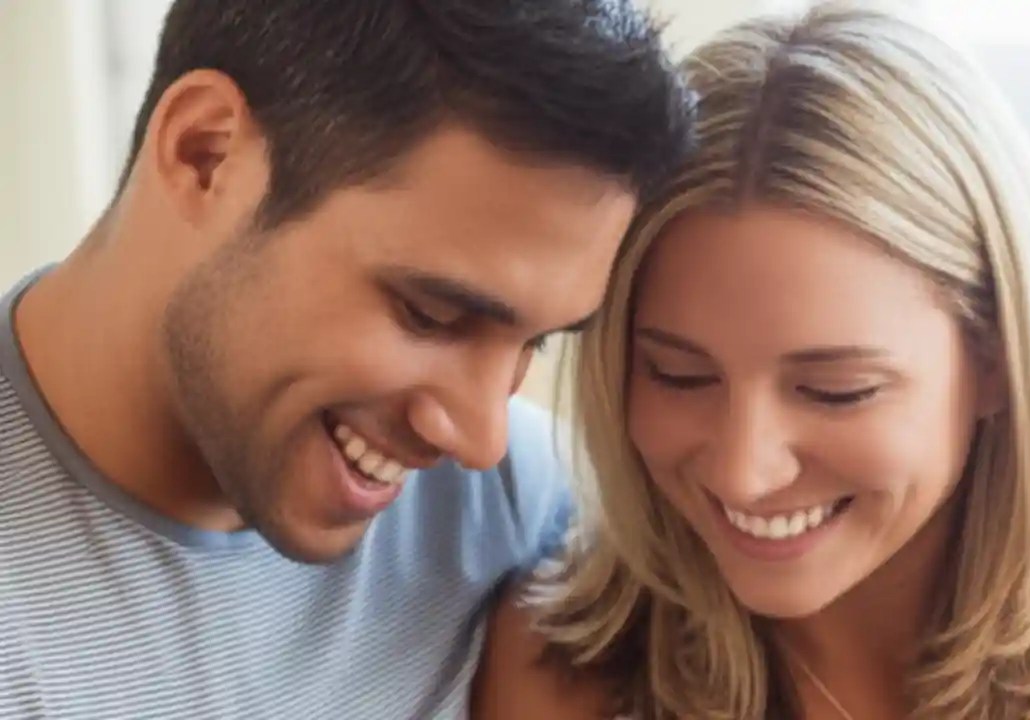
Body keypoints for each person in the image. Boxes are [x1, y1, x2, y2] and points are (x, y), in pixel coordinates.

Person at [473, 3, 1030, 718]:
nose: (744, 471)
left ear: (998, 358)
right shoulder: (562, 673)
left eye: (835, 391)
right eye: (680, 376)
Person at [0, 0, 691, 717]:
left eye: (534, 344)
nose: (481, 439)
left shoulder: (521, 519)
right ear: (204, 152)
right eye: (432, 316)